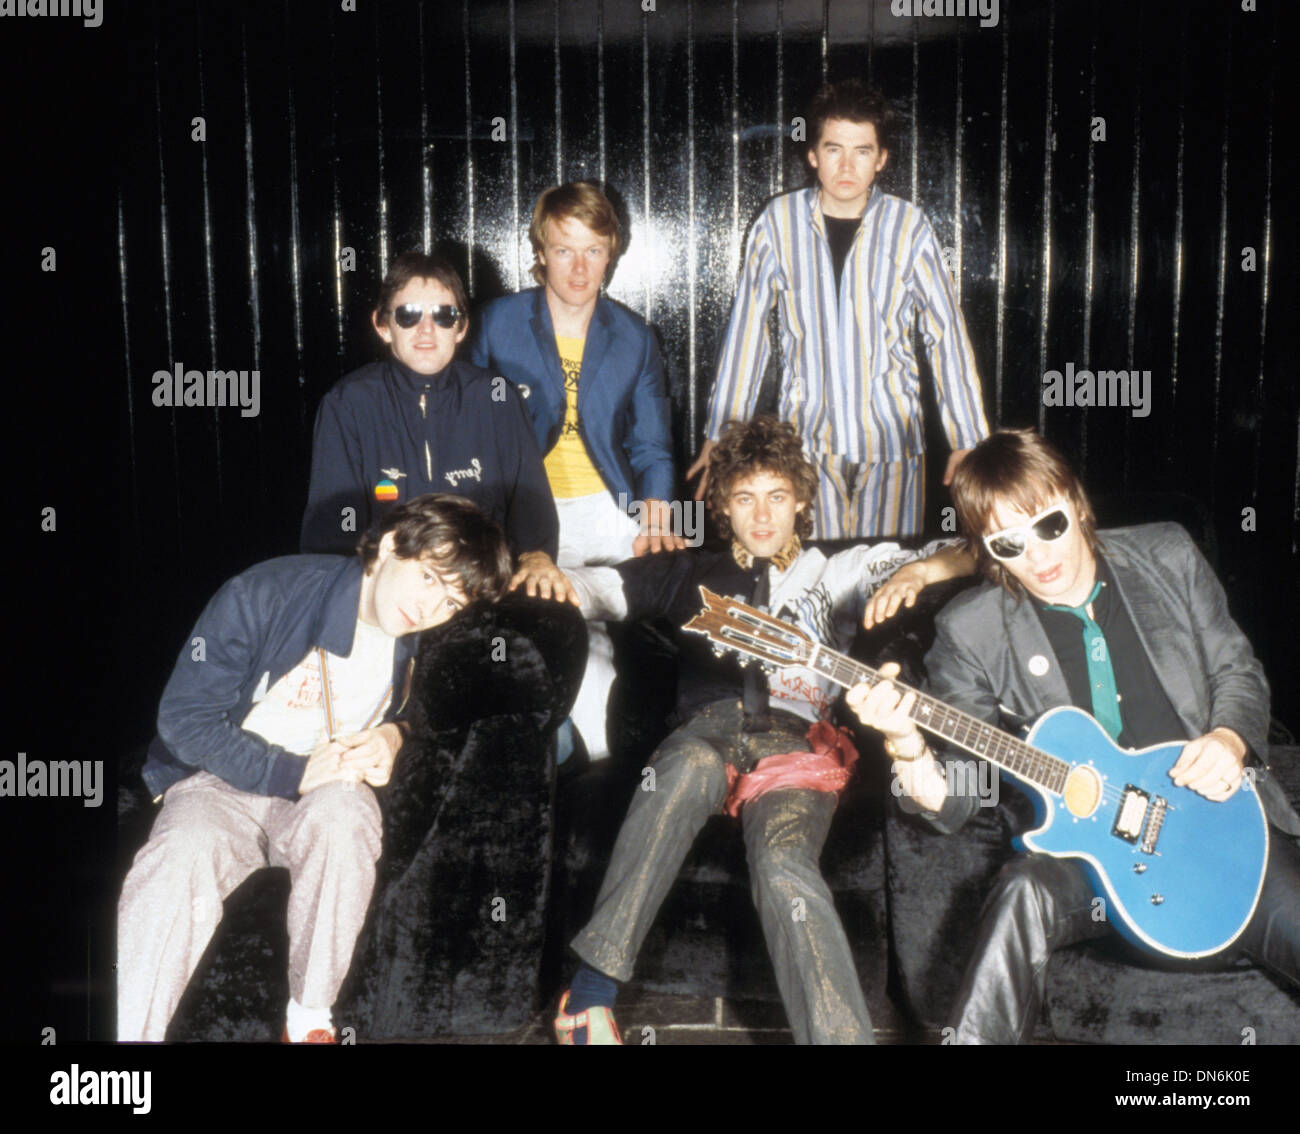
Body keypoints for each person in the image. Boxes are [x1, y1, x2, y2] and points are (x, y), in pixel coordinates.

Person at [847, 428, 1300, 1043]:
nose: (1037, 556)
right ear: (985, 551)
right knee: (1021, 891)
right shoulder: (971, 631)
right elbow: (958, 797)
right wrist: (905, 743)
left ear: (1078, 504)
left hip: (1225, 830)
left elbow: (1235, 669)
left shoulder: (1166, 554)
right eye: (1007, 543)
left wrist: (1227, 739)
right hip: (1095, 865)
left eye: (1049, 525)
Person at [551, 415, 975, 1043]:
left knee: (783, 865)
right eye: (745, 497)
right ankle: (587, 996)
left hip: (795, 744)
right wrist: (548, 575)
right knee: (685, 767)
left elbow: (972, 549)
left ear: (801, 499)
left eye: (777, 495)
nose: (762, 514)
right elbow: (599, 587)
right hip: (704, 731)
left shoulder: (842, 569)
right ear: (722, 504)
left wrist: (920, 572)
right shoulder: (684, 572)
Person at [118, 494, 513, 1043]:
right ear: (391, 545)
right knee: (174, 861)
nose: (430, 610)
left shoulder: (424, 636)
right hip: (222, 780)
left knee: (346, 821)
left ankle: (308, 1019)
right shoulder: (260, 593)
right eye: (428, 579)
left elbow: (418, 715)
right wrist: (289, 773)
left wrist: (392, 737)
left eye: (451, 602)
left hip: (326, 789)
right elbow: (184, 719)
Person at [690, 79, 989, 539]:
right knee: (815, 583)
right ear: (813, 154)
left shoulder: (909, 227)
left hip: (892, 444)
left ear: (881, 159)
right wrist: (722, 433)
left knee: (886, 582)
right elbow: (748, 333)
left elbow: (946, 333)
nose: (847, 165)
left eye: (862, 151)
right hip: (806, 447)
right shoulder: (778, 222)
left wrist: (969, 440)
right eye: (833, 149)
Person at [469, 181, 681, 759]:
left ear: (612, 251)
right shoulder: (495, 324)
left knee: (683, 585)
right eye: (564, 249)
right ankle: (582, 746)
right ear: (540, 252)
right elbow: (471, 438)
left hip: (610, 511)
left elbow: (653, 446)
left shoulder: (635, 337)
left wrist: (656, 509)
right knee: (548, 624)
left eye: (593, 249)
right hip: (530, 516)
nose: (580, 267)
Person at [300, 250, 561, 585]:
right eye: (408, 315)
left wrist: (537, 557)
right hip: (389, 591)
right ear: (383, 326)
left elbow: (531, 506)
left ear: (461, 327)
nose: (427, 330)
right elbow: (330, 535)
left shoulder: (497, 397)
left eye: (443, 315)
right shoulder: (348, 404)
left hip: (480, 587)